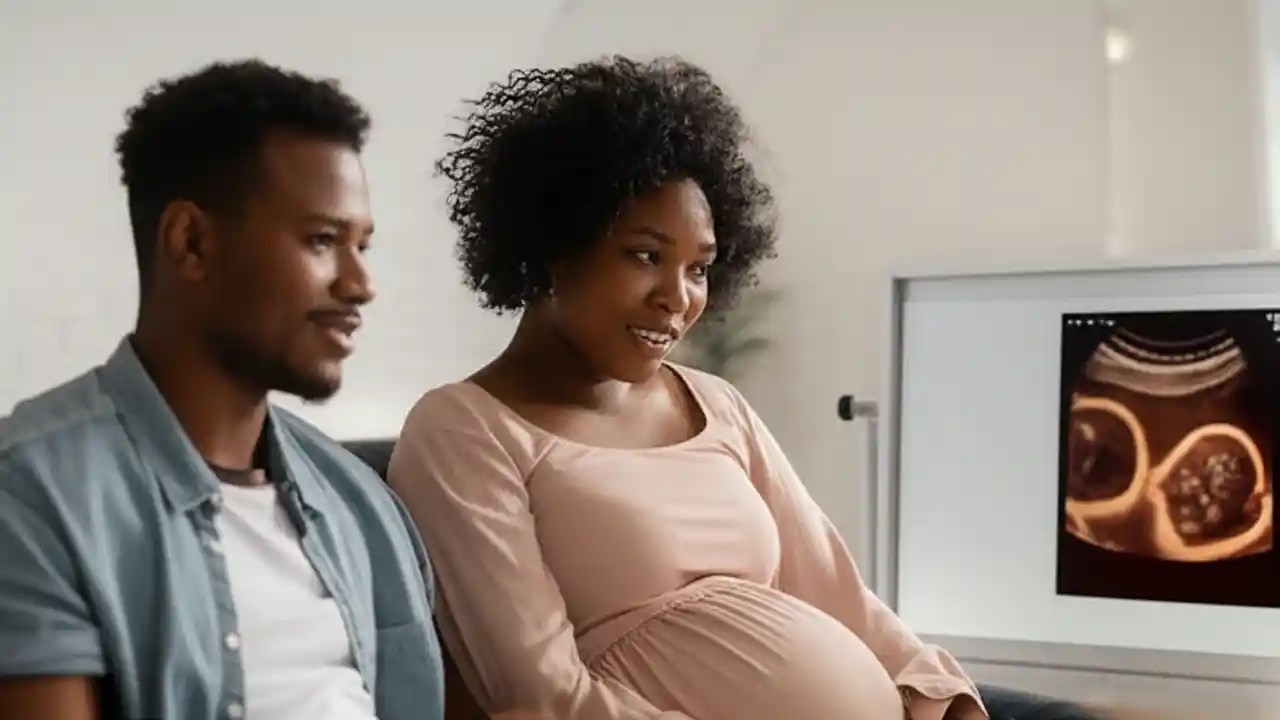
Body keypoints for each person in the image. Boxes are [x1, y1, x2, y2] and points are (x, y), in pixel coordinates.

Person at [385, 54, 986, 720]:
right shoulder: (465, 430)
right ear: (557, 249)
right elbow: (542, 695)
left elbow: (838, 595)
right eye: (645, 256)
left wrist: (939, 694)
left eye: (698, 268)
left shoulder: (716, 403)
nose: (678, 298)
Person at [0, 59, 444, 720]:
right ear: (192, 242)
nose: (360, 285)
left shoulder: (361, 505)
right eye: (322, 240)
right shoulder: (34, 494)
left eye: (363, 246)